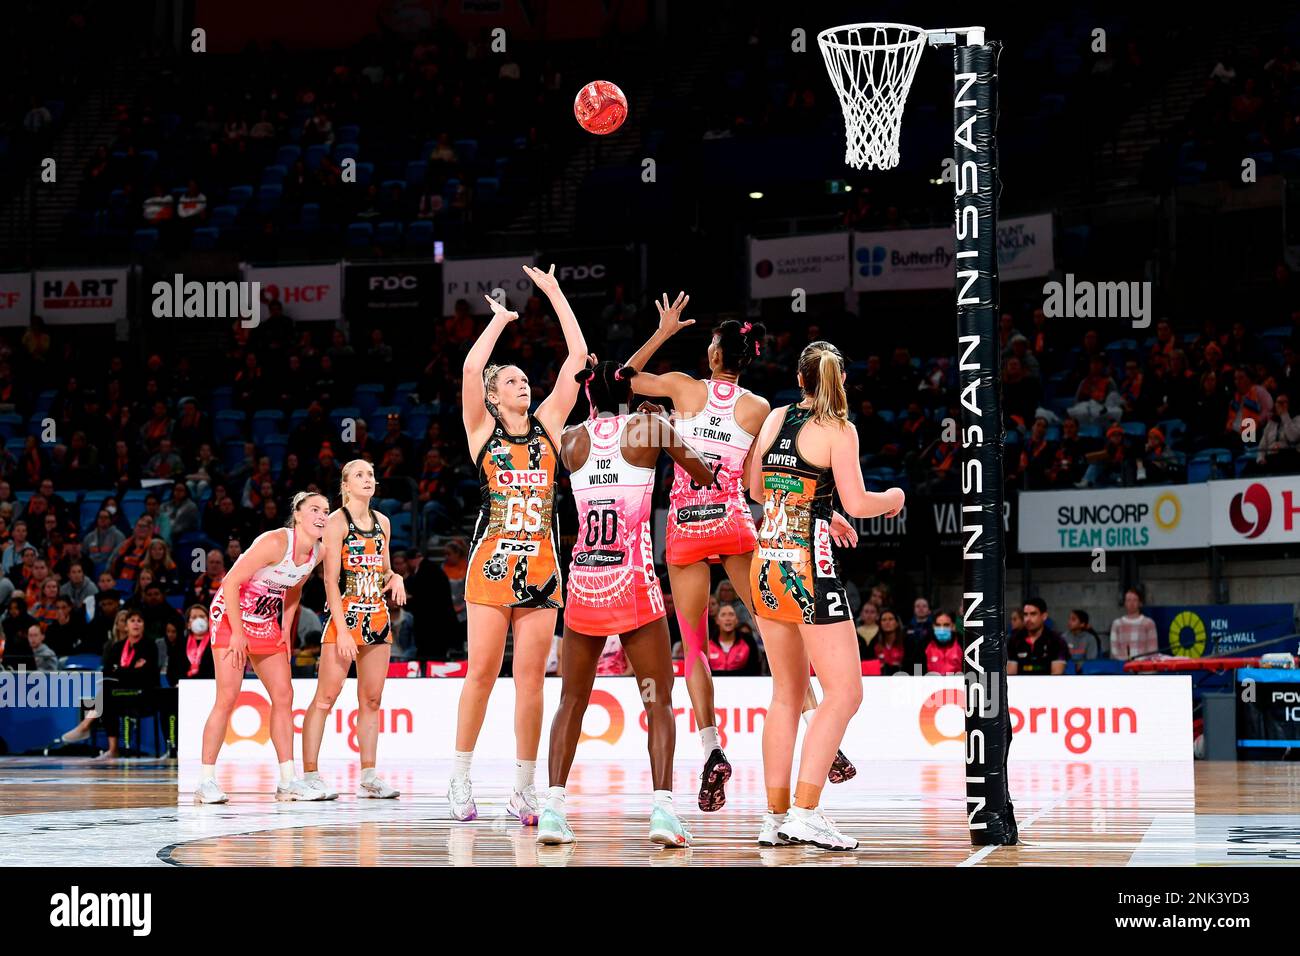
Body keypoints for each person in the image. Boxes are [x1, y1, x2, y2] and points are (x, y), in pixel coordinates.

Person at [623, 295, 857, 813]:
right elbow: (769, 482)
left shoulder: (684, 388)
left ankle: (711, 750)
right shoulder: (759, 409)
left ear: (713, 355)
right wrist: (827, 512)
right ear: (745, 359)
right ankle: (822, 733)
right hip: (734, 524)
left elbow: (625, 378)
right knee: (780, 631)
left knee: (696, 646)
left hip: (685, 526)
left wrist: (662, 332)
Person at [541, 363, 716, 846]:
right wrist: (666, 425)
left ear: (586, 393)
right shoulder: (648, 426)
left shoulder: (571, 439)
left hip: (584, 581)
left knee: (571, 701)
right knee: (657, 700)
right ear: (635, 390)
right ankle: (662, 813)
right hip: (632, 583)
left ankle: (552, 809)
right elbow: (703, 474)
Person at [748, 340, 905, 850]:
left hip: (766, 561)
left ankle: (775, 818)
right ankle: (807, 812)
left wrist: (822, 510)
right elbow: (859, 502)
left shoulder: (776, 418)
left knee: (786, 695)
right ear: (841, 381)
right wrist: (892, 500)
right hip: (808, 569)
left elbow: (757, 488)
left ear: (799, 380)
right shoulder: (840, 429)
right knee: (845, 692)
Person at [449, 264, 588, 825]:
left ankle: (523, 789)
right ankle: (459, 780)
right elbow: (470, 365)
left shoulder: (551, 424)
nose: (523, 384)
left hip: (544, 569)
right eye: (511, 380)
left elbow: (577, 359)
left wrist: (554, 293)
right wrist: (500, 322)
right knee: (481, 673)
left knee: (532, 681)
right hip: (490, 567)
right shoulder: (481, 430)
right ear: (492, 395)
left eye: (525, 379)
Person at [193, 492, 331, 804]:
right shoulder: (274, 542)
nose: (322, 515)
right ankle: (205, 782)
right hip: (231, 617)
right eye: (314, 509)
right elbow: (229, 583)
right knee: (227, 697)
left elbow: (294, 587)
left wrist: (285, 626)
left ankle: (287, 782)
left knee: (284, 696)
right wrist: (238, 634)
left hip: (266, 620)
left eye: (325, 510)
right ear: (297, 514)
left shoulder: (317, 552)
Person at [301, 460, 406, 801]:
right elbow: (329, 579)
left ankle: (369, 777)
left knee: (372, 700)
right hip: (345, 619)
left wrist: (397, 578)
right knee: (326, 698)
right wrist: (344, 631)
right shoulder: (336, 522)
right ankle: (311, 775)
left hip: (377, 618)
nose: (367, 479)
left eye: (371, 475)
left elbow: (385, 569)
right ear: (345, 484)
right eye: (359, 475)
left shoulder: (383, 523)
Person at [1007, 597, 1071, 675]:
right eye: (1025, 614)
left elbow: (1056, 674)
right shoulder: (1014, 640)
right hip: (1021, 686)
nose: (1028, 619)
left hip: (1049, 686)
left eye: (1033, 614)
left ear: (1044, 616)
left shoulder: (1057, 640)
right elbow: (1011, 674)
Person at [708, 604, 761, 675]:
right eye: (723, 615)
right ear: (717, 621)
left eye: (731, 614)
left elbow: (755, 670)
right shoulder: (708, 641)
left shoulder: (748, 640)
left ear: (736, 620)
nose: (728, 619)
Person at [1108, 588, 1158, 661]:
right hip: (1122, 667)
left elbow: (1153, 650)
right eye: (1128, 600)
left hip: (1143, 667)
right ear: (1125, 603)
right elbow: (1114, 651)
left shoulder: (1149, 623)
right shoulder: (1117, 624)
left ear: (1140, 603)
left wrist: (1138, 662)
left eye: (1135, 600)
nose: (1131, 603)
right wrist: (1127, 661)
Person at [866, 608, 911, 675]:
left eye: (890, 619)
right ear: (880, 624)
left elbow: (916, 664)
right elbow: (867, 664)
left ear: (897, 623)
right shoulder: (874, 642)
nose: (887, 622)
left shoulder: (908, 641)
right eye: (884, 620)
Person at [917, 610, 962, 675]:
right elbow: (918, 672)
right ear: (933, 626)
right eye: (938, 625)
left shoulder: (962, 644)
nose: (942, 629)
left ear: (953, 626)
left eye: (946, 625)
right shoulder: (924, 645)